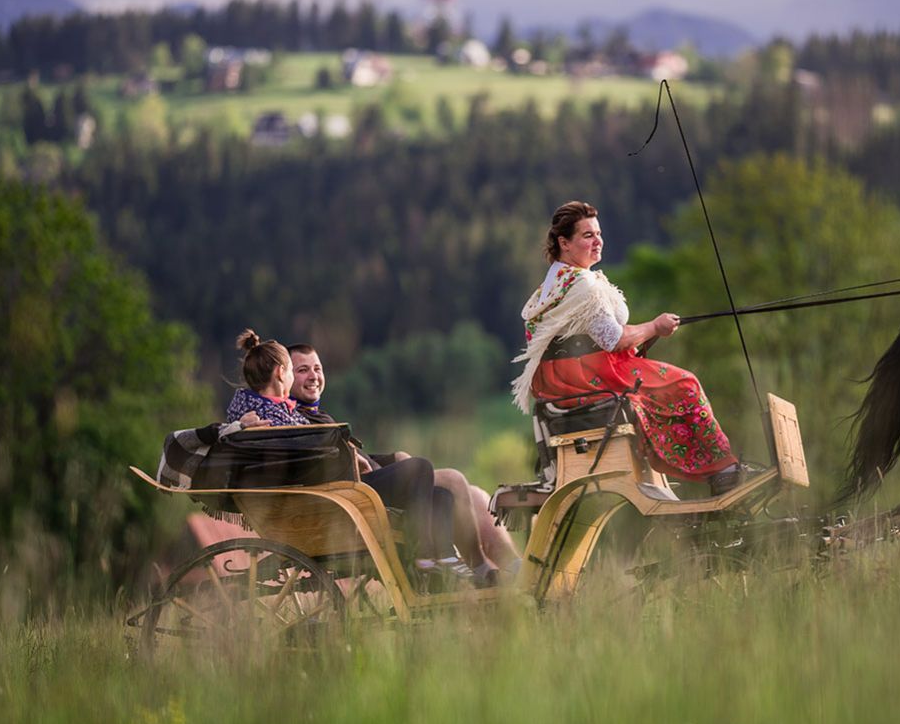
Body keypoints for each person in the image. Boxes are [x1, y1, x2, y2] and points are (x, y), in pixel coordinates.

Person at [511, 201, 748, 496]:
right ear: (564, 243)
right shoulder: (583, 285)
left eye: (598, 233)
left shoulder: (551, 286)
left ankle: (711, 468)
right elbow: (614, 340)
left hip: (560, 381)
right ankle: (720, 470)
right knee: (684, 384)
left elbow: (597, 336)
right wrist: (654, 327)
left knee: (667, 384)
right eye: (587, 236)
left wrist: (645, 335)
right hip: (581, 378)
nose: (598, 241)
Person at [229, 329, 472, 578]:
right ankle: (425, 556)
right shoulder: (269, 418)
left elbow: (307, 446)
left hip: (336, 485)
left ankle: (446, 559)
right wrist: (346, 454)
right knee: (419, 468)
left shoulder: (266, 411)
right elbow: (304, 451)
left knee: (441, 495)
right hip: (335, 493)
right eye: (295, 370)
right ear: (282, 373)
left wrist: (349, 453)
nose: (302, 376)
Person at [286, 342, 520, 584]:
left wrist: (390, 459)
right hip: (353, 496)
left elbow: (351, 453)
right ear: (285, 376)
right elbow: (322, 458)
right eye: (303, 370)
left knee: (444, 492)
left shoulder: (313, 414)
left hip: (366, 482)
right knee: (449, 478)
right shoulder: (292, 418)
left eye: (317, 368)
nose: (313, 376)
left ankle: (460, 566)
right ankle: (474, 565)